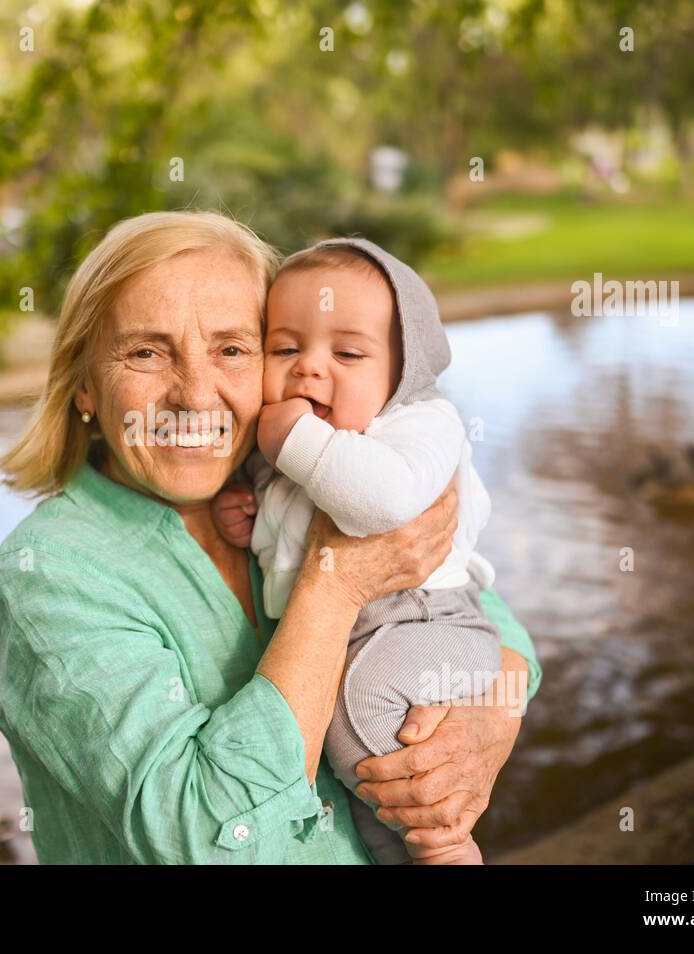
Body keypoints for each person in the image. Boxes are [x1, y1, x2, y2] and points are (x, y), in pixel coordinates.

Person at [0, 210, 542, 863]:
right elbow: (207, 842)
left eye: (232, 349)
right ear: (83, 384)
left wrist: (490, 717)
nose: (196, 396)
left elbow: (481, 610)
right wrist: (334, 586)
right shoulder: (50, 571)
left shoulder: (302, 480)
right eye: (146, 353)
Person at [215, 237, 506, 864]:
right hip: (355, 636)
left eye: (347, 353)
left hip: (426, 620)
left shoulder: (420, 423)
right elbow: (293, 530)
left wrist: (292, 439)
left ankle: (447, 842)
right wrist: (249, 515)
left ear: (403, 372)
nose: (309, 368)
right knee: (359, 815)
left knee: (359, 705)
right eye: (285, 349)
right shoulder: (299, 447)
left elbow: (382, 502)